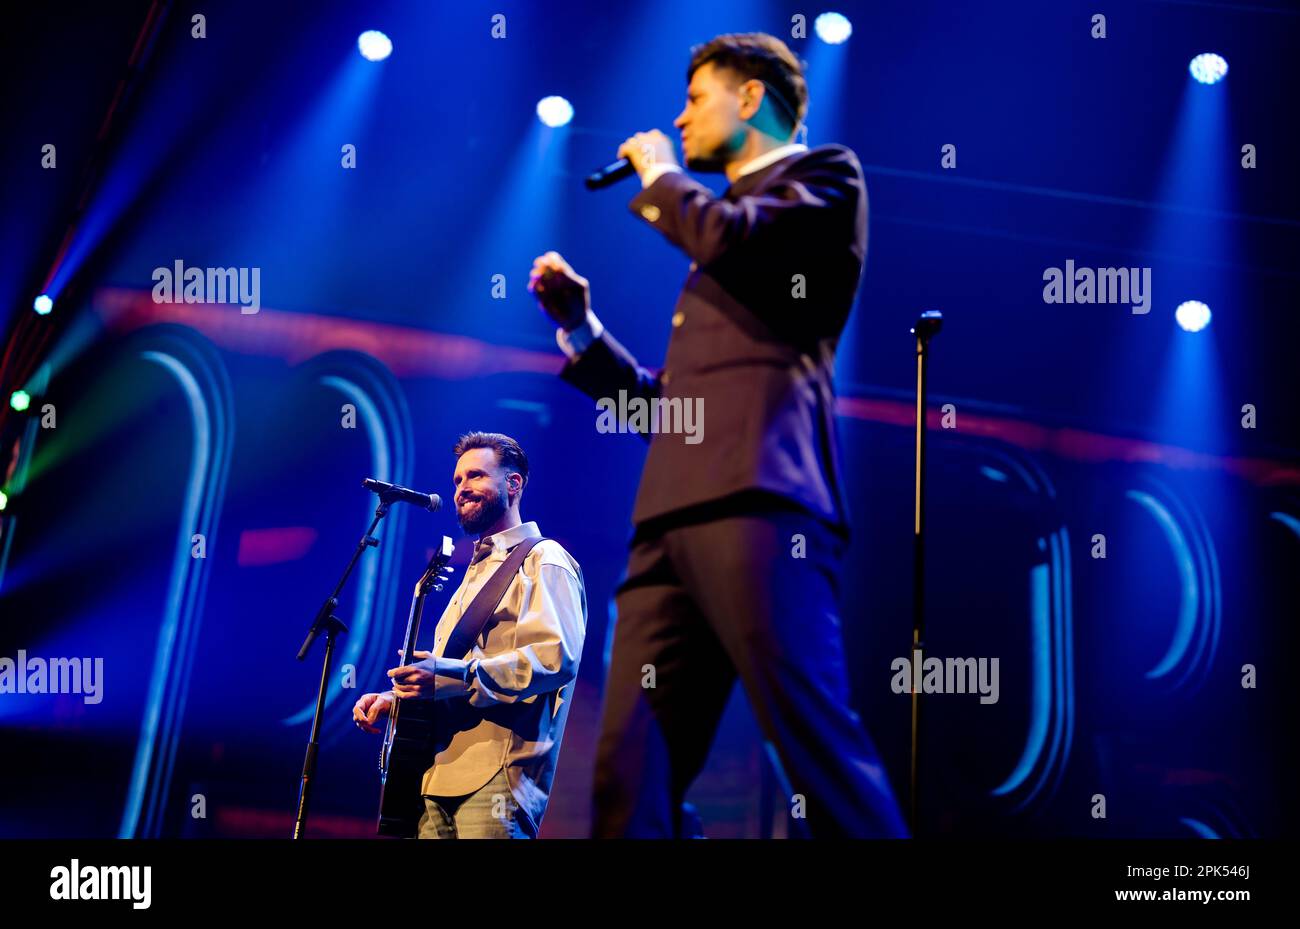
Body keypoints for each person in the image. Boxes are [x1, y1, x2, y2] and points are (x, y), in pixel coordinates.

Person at [528, 32, 907, 838]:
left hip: (761, 506)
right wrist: (582, 332)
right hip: (667, 523)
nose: (679, 115)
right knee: (628, 775)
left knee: (816, 747)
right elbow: (672, 412)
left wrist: (661, 175)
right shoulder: (719, 238)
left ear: (751, 97)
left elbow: (732, 236)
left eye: (696, 97)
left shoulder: (822, 179)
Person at [352, 432, 587, 839]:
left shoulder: (544, 559)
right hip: (434, 776)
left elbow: (555, 658)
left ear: (513, 484)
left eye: (476, 476)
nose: (462, 489)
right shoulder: (472, 573)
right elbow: (447, 674)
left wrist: (454, 676)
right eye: (458, 480)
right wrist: (400, 697)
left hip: (496, 778)